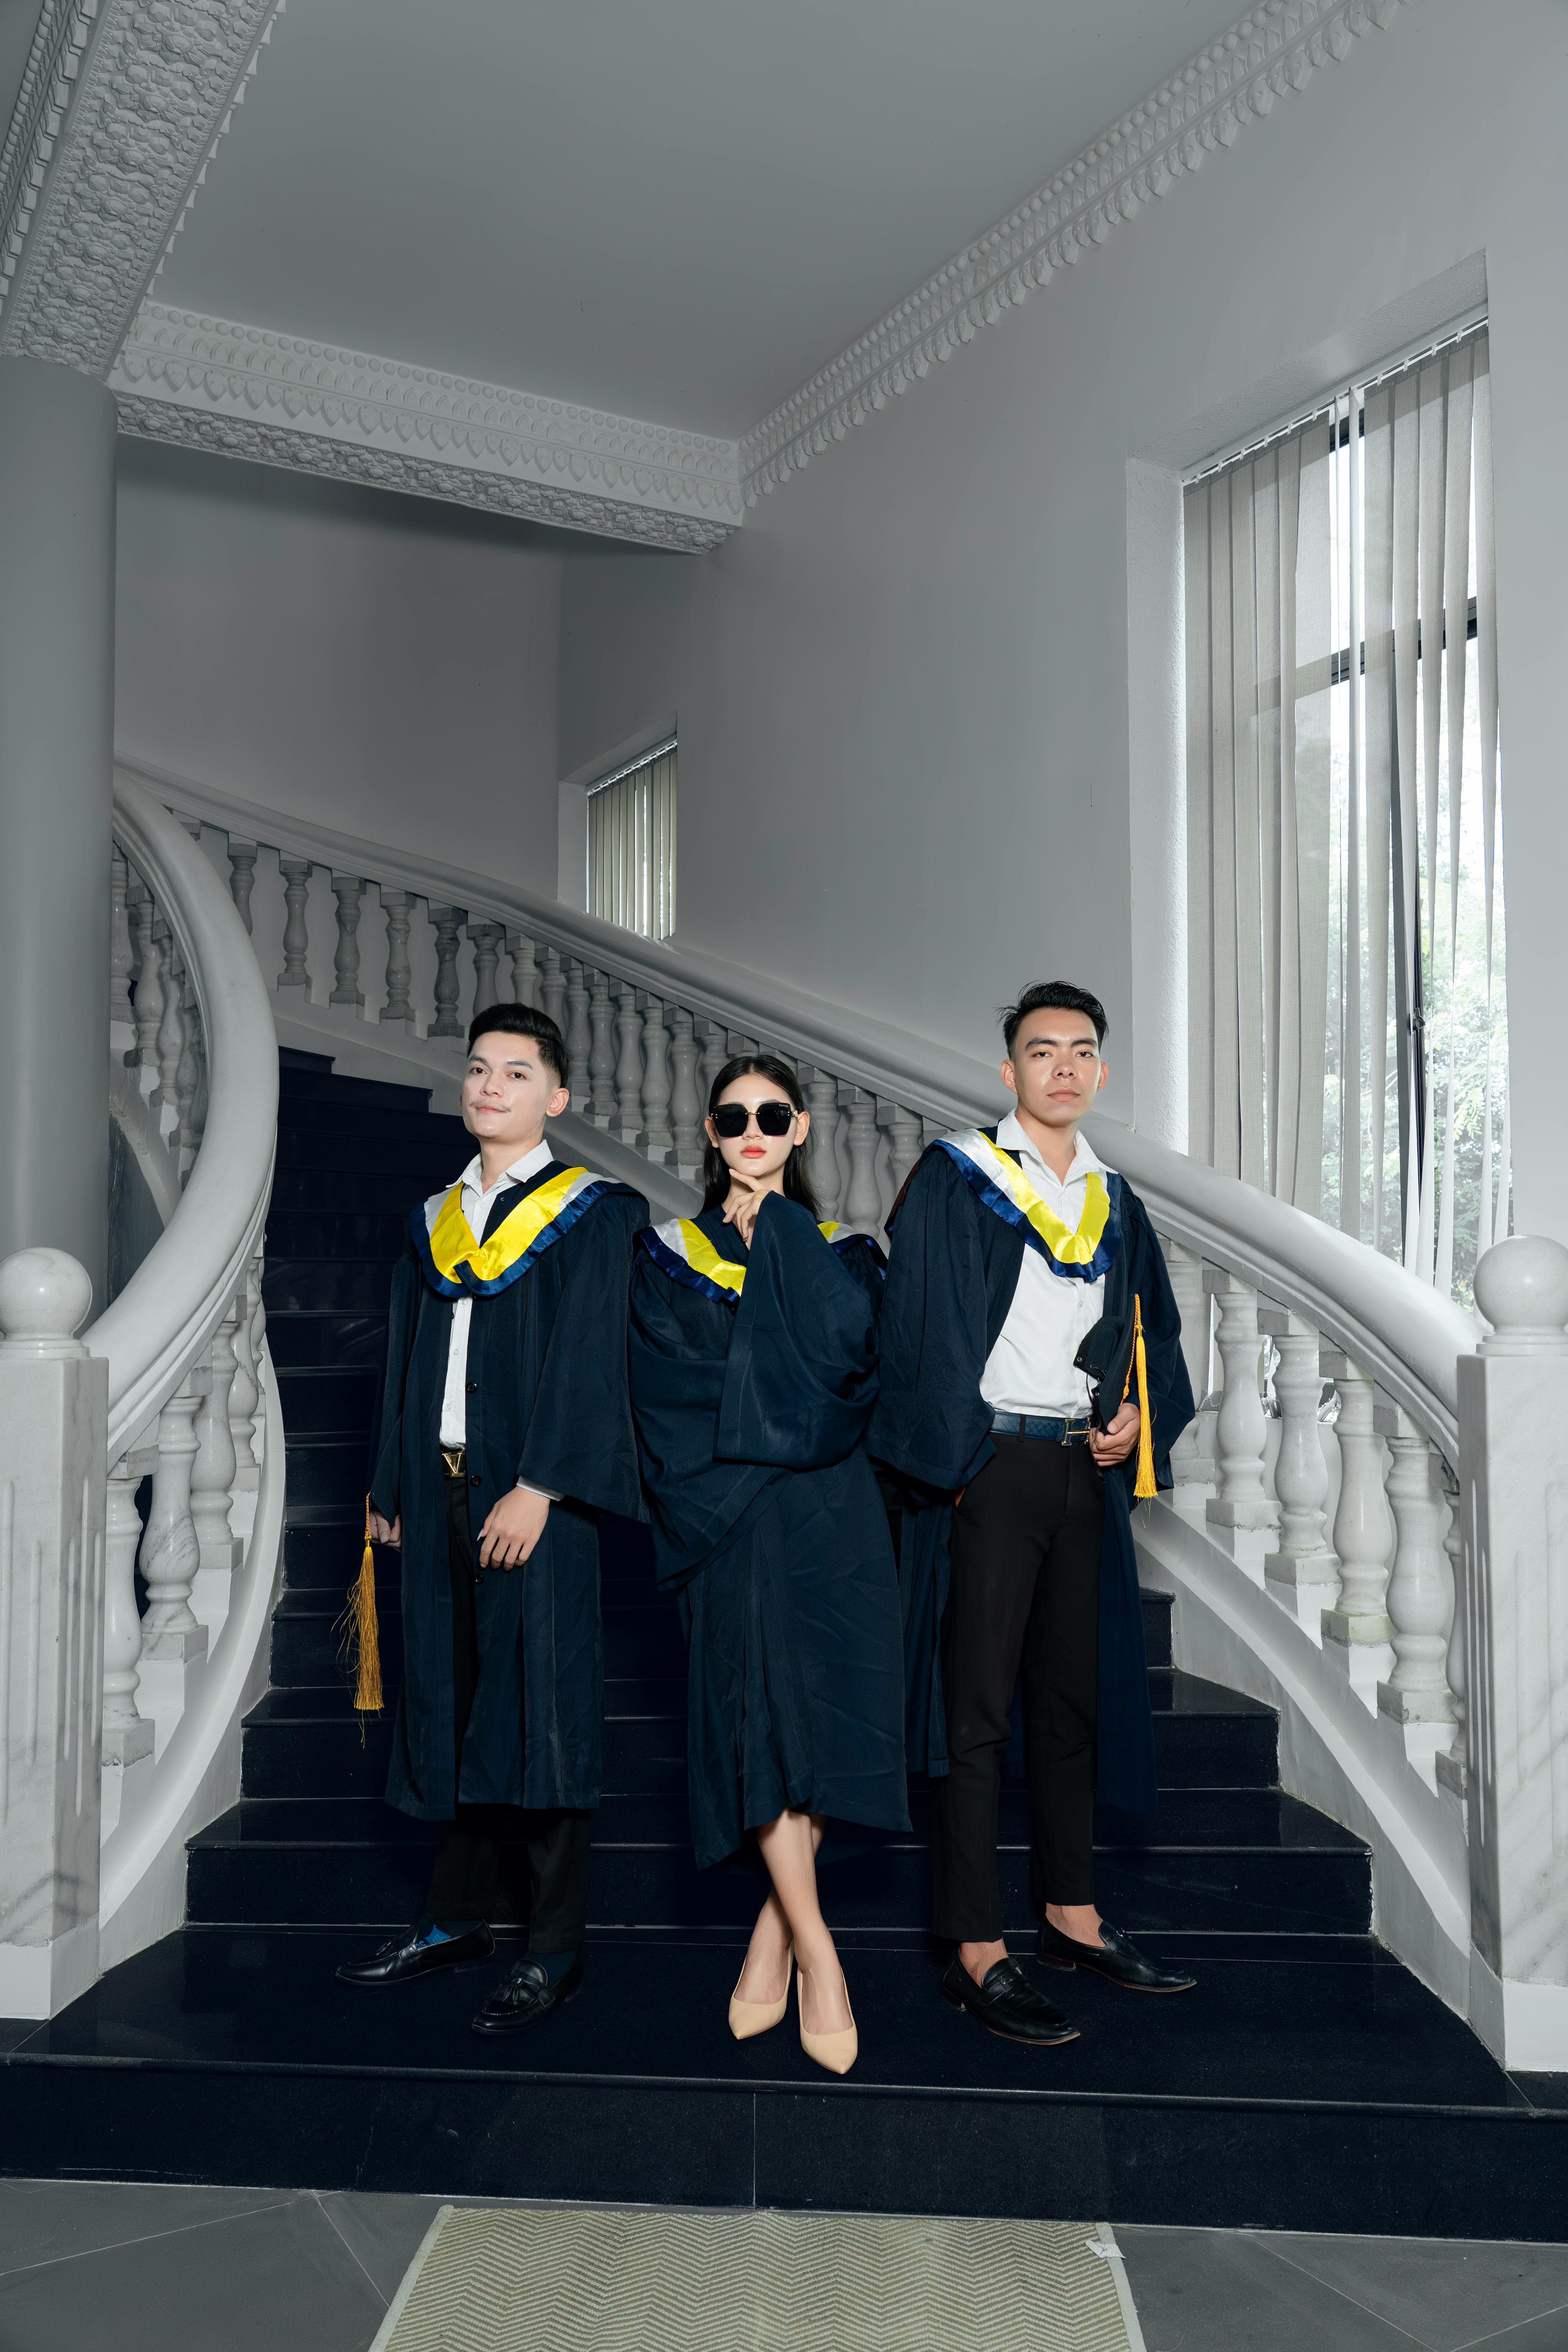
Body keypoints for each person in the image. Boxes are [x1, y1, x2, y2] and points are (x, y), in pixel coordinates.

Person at [870, 982, 1196, 2048]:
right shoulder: (958, 1179)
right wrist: (957, 1465)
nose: (1062, 1065)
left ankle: (1069, 1914)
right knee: (977, 1715)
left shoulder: (1115, 1199)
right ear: (1007, 1071)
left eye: (1081, 1051)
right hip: (988, 1468)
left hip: (1080, 1471)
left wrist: (1132, 1419)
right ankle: (974, 1942)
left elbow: (1150, 1335)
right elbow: (913, 1329)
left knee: (1070, 1705)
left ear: (1098, 1074)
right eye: (1040, 1049)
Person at [337, 1002, 648, 2034]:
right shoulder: (435, 1217)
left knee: (540, 1710)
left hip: (529, 1493)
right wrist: (389, 1484)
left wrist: (545, 1486)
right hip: (433, 1489)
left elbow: (597, 1361)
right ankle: (454, 1920)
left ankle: (553, 1947)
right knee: (451, 1696)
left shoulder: (598, 1212)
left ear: (555, 1098)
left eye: (515, 1074)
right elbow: (405, 1358)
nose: (488, 1087)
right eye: (477, 1069)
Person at [628, 1054, 907, 2076]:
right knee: (759, 1718)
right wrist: (771, 1396)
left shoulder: (845, 1253)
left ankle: (770, 1937)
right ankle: (821, 1954)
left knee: (825, 1711)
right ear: (709, 1132)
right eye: (734, 1115)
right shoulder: (662, 1258)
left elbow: (849, 1372)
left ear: (798, 1132)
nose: (752, 1129)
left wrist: (778, 1235)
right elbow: (667, 1387)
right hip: (726, 1514)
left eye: (772, 1115)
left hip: (830, 1512)